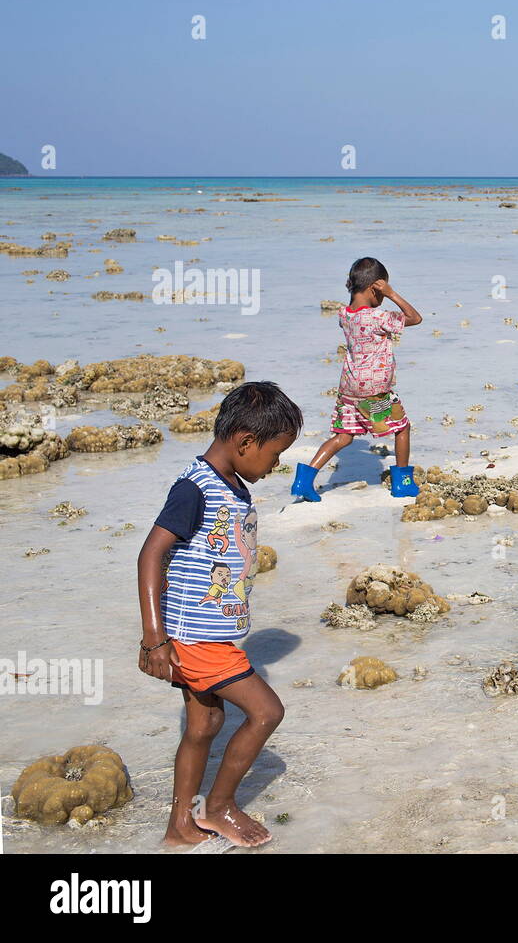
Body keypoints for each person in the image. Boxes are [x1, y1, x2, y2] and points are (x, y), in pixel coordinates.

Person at [137, 381, 302, 847]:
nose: (274, 466)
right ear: (246, 441)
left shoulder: (230, 484)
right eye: (273, 455)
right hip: (196, 637)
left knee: (204, 725)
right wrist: (155, 638)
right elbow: (151, 555)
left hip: (205, 632)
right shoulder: (195, 487)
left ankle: (179, 826)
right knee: (267, 712)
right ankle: (220, 806)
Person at [292, 257, 422, 501]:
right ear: (376, 288)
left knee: (343, 436)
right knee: (401, 428)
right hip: (374, 391)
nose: (382, 299)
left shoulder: (345, 315)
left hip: (349, 388)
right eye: (381, 293)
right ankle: (403, 483)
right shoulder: (378, 318)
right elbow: (415, 318)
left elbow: (357, 308)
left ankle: (304, 480)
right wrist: (393, 294)